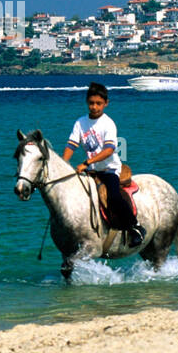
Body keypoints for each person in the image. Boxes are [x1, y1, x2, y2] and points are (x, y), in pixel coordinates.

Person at [62, 82, 144, 245]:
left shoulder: (108, 123)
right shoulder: (80, 123)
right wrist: (63, 164)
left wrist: (86, 162)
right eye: (91, 103)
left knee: (113, 196)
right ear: (87, 102)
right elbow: (72, 144)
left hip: (109, 169)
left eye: (98, 103)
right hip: (91, 172)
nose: (94, 107)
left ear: (106, 103)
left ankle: (135, 227)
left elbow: (108, 150)